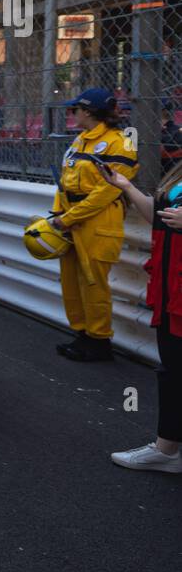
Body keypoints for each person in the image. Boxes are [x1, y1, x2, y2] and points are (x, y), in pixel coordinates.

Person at [99, 160, 182, 472]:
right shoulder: (178, 171)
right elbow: (157, 218)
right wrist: (125, 185)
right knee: (174, 367)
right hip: (169, 285)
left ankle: (167, 449)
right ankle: (168, 448)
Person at [51, 88, 138, 362]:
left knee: (93, 282)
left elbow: (105, 193)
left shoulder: (119, 143)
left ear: (88, 111)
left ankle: (99, 341)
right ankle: (82, 335)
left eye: (75, 109)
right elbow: (64, 181)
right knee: (71, 281)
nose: (73, 113)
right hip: (70, 221)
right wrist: (56, 214)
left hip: (98, 222)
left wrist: (68, 218)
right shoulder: (79, 141)